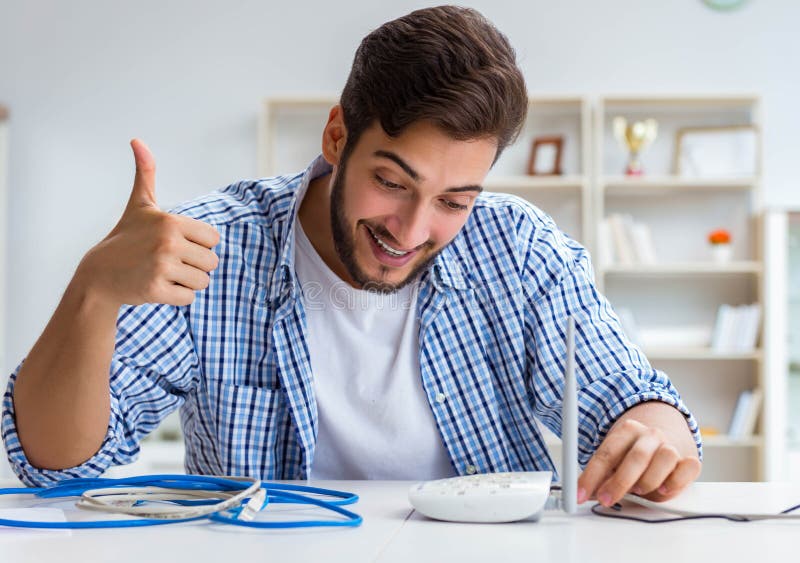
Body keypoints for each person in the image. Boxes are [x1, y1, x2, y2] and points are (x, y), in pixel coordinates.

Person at [2, 5, 701, 508]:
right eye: (391, 183)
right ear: (337, 135)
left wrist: (656, 439)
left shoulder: (518, 248)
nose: (412, 228)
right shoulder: (210, 248)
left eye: (455, 200)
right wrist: (91, 289)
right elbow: (53, 468)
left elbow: (632, 401)